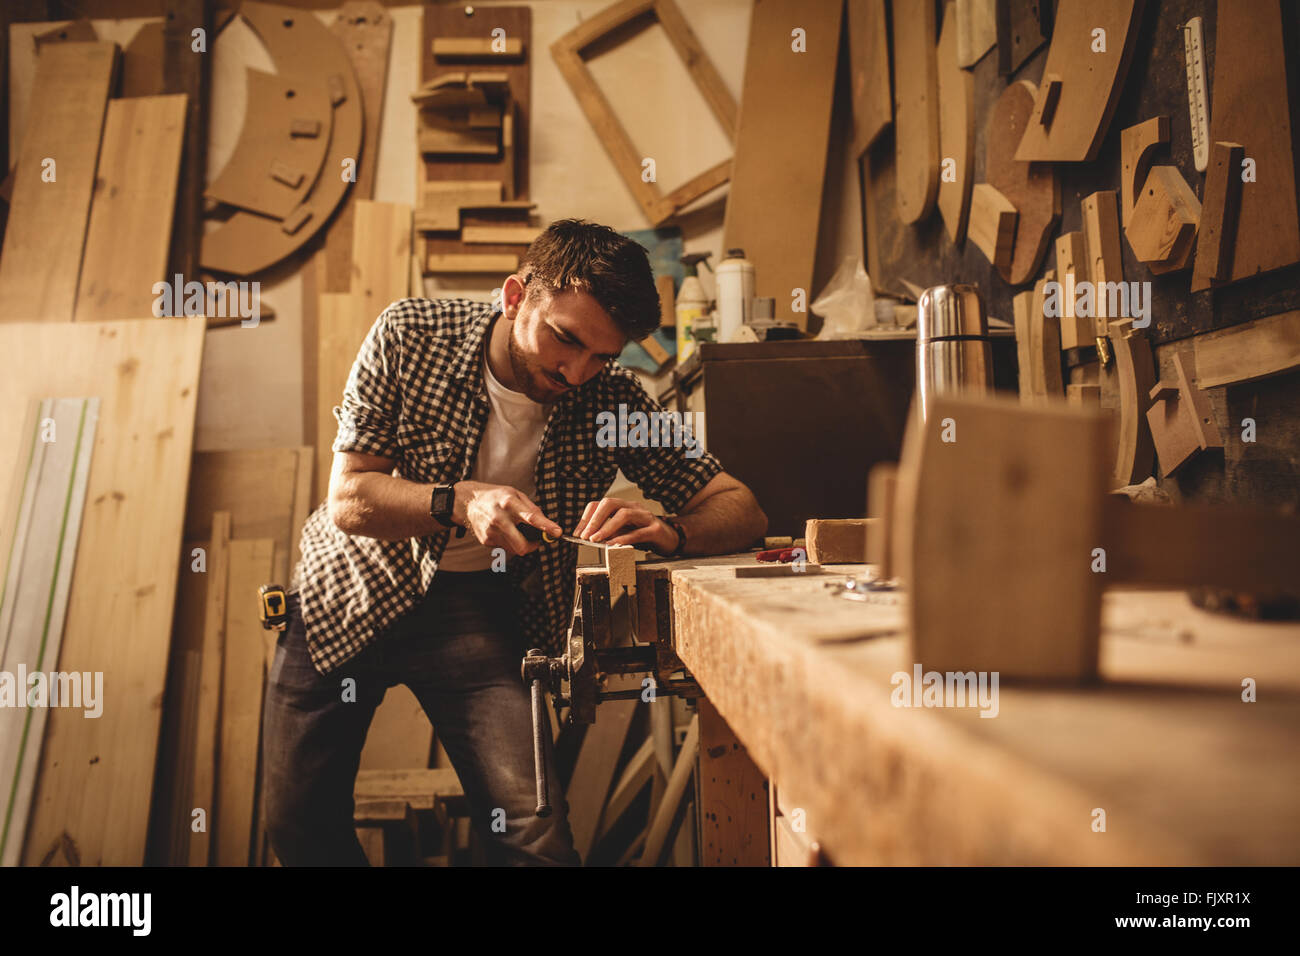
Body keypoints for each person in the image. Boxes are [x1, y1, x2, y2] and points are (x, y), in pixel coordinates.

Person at [262, 219, 767, 865]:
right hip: (350, 587)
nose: (578, 372)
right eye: (566, 340)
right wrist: (460, 500)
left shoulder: (611, 400)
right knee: (298, 820)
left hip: (474, 609)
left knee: (532, 835)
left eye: (603, 357)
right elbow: (351, 500)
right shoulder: (411, 334)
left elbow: (740, 507)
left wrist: (674, 531)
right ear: (513, 296)